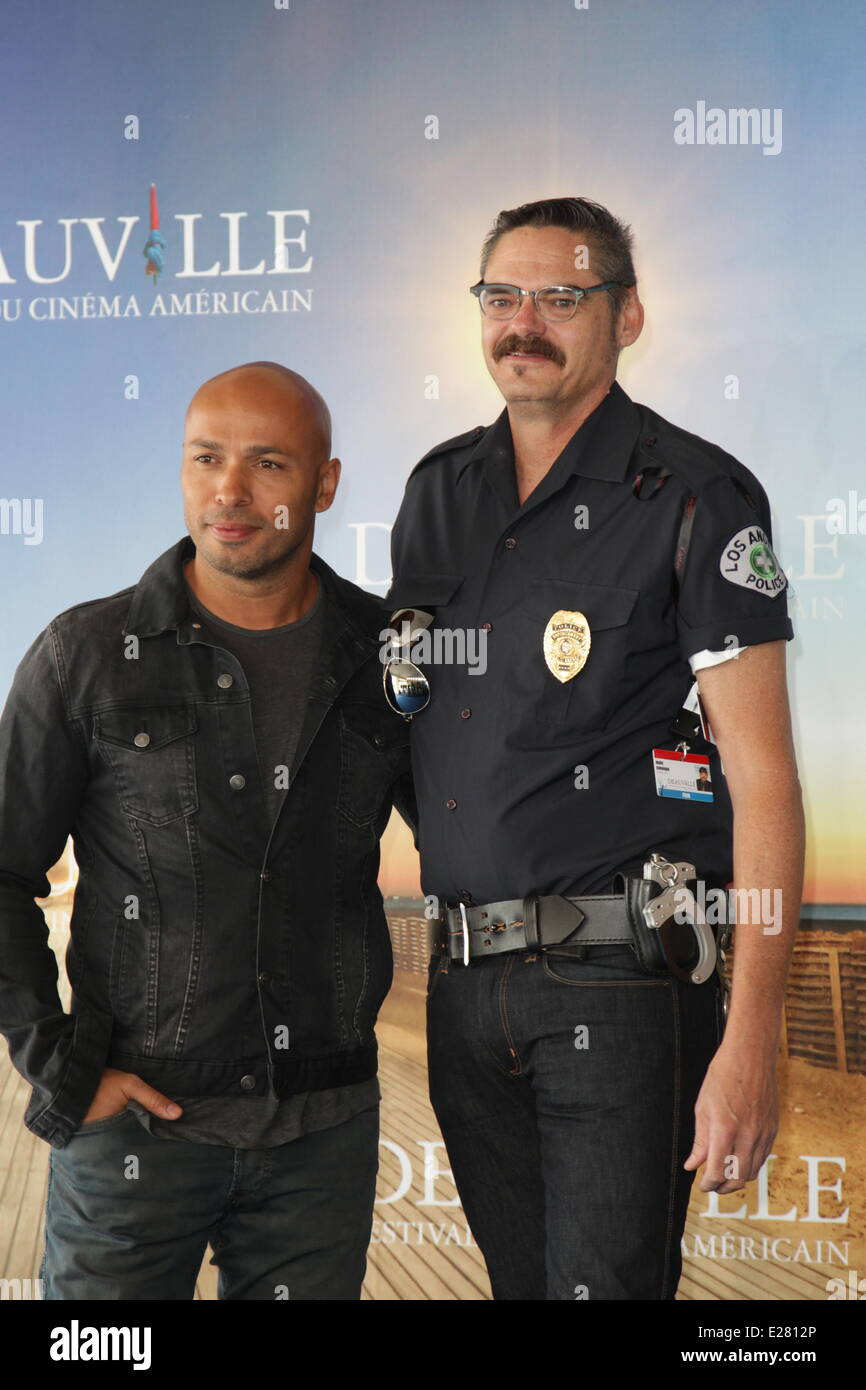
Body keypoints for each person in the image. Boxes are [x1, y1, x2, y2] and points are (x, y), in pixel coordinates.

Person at [386, 197, 804, 1300]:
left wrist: (751, 1036)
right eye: (500, 296)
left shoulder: (695, 493)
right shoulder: (435, 494)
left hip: (617, 987)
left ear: (625, 317)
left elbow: (762, 777)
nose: (523, 322)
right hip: (462, 988)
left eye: (560, 296)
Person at [0, 361, 415, 1300]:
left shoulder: (389, 656)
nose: (229, 490)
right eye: (205, 458)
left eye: (268, 463)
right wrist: (56, 1063)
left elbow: (482, 829)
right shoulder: (88, 655)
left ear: (325, 484)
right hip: (134, 1134)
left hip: (324, 1129)